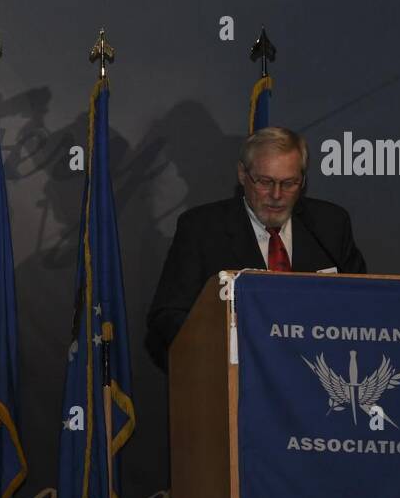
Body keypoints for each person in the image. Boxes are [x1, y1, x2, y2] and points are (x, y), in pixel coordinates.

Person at [145, 126, 366, 370]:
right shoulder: (202, 229)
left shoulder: (330, 225)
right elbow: (168, 319)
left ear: (303, 180)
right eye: (265, 181)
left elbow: (362, 308)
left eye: (289, 183)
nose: (276, 194)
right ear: (242, 174)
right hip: (236, 379)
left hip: (318, 380)